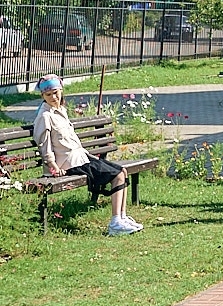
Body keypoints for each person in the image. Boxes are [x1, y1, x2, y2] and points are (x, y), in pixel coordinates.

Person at [32, 75, 141, 235]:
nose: (53, 97)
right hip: (69, 164)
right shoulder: (44, 116)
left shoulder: (60, 111)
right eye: (48, 95)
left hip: (80, 157)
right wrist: (53, 167)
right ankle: (115, 223)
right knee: (117, 175)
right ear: (43, 96)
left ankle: (122, 217)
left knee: (122, 171)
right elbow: (44, 145)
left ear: (61, 91)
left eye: (56, 92)